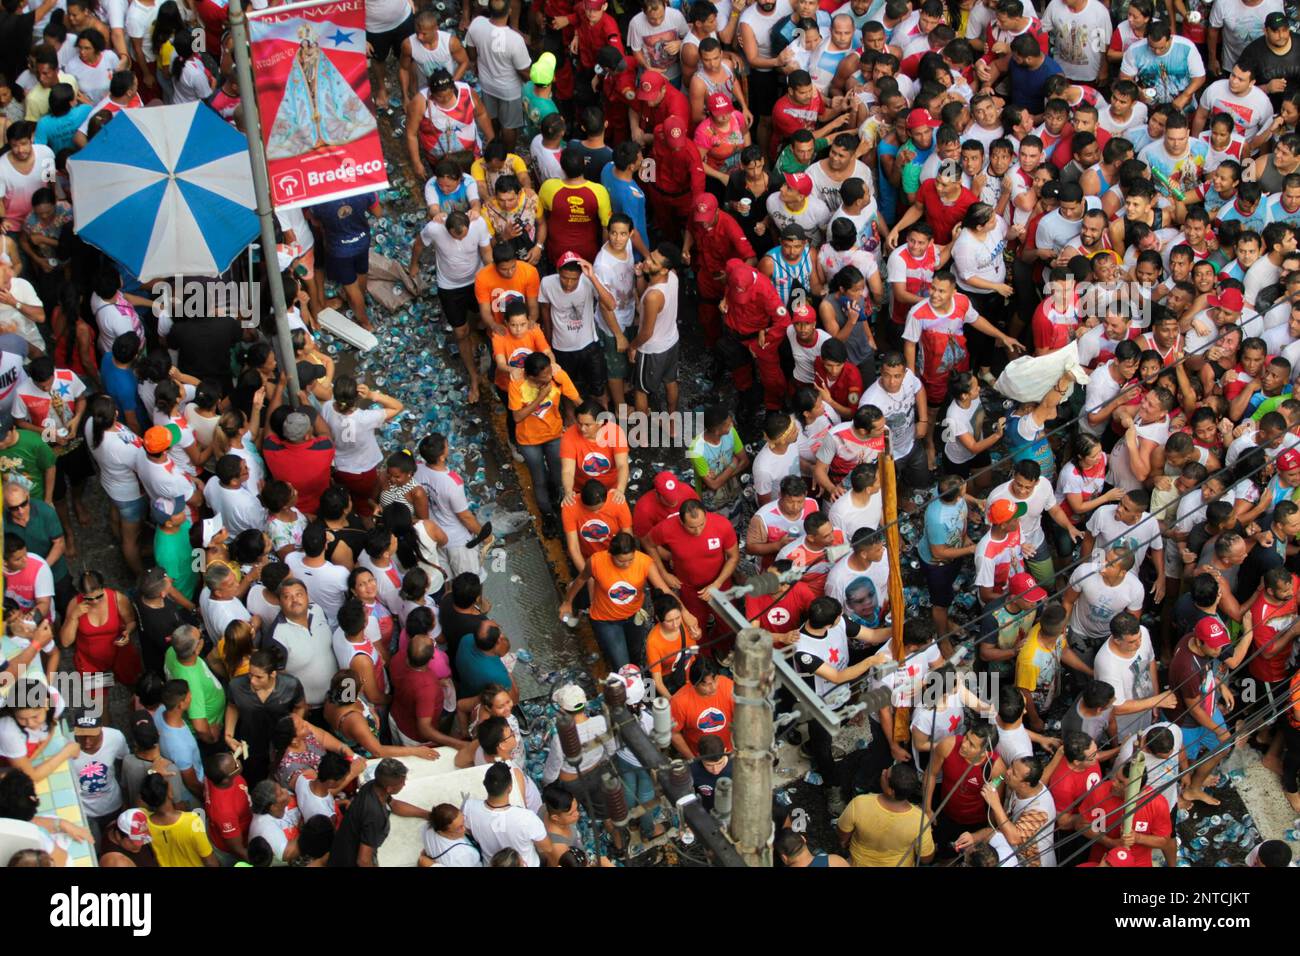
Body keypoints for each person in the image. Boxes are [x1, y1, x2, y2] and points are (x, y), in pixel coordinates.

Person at [329, 757, 427, 867]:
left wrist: (427, 814)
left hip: (340, 848)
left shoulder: (372, 786)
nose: (404, 784)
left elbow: (394, 804)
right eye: (402, 782)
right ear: (389, 789)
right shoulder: (375, 815)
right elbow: (363, 861)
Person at [838, 762, 935, 866]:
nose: (883, 771)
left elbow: (842, 836)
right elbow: (926, 859)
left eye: (886, 775)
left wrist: (844, 844)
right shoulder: (920, 820)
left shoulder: (859, 803)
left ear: (891, 791)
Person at [463, 761, 554, 866]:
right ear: (510, 788)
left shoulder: (468, 808)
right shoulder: (527, 818)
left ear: (485, 784)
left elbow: (468, 831)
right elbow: (547, 847)